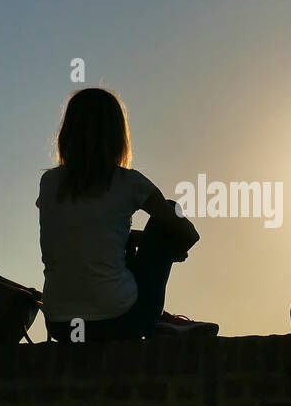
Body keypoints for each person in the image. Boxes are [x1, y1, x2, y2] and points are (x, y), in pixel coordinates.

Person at [37, 87, 217, 341]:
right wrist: (163, 249)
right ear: (117, 135)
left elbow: (83, 229)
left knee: (112, 248)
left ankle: (158, 318)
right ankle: (155, 319)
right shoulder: (128, 182)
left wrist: (129, 238)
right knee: (168, 213)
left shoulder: (49, 182)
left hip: (60, 326)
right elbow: (188, 234)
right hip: (123, 320)